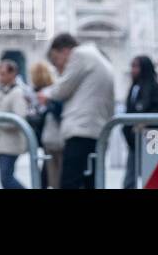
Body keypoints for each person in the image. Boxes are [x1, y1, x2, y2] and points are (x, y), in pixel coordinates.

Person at [37, 33, 115, 189]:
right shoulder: (98, 57)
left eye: (56, 60)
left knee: (69, 183)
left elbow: (62, 89)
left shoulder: (80, 55)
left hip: (81, 130)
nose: (59, 68)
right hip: (96, 130)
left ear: (65, 51)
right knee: (90, 182)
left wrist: (45, 93)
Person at [122, 55, 158, 189]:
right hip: (134, 139)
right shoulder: (134, 87)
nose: (133, 70)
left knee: (152, 174)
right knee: (130, 178)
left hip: (151, 137)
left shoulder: (154, 87)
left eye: (136, 66)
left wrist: (145, 122)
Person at [0, 58, 29, 189]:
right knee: (5, 178)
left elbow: (19, 117)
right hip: (1, 143)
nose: (0, 77)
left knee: (6, 178)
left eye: (3, 74)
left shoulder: (17, 93)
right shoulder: (4, 91)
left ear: (12, 74)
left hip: (10, 144)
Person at [28, 61, 63, 188]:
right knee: (47, 175)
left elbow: (55, 112)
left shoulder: (51, 92)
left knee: (52, 176)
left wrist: (45, 103)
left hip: (54, 138)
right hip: (48, 138)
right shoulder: (39, 92)